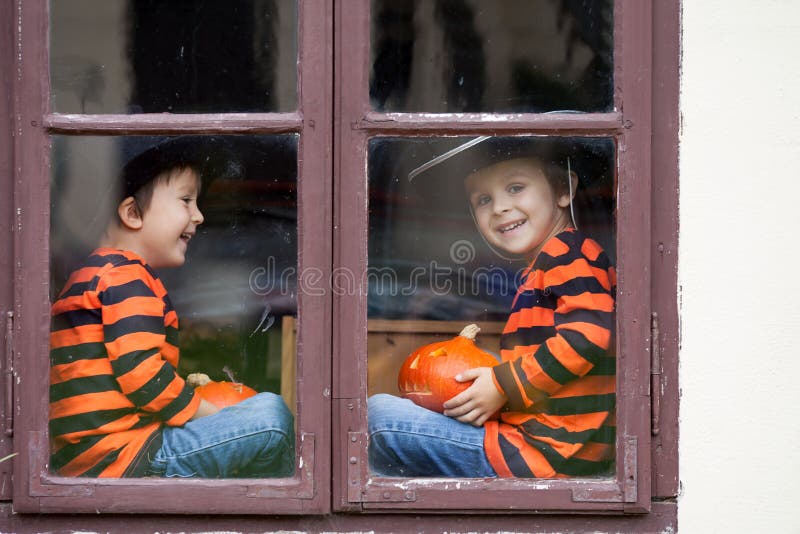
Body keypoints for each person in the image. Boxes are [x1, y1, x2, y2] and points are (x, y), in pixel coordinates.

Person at [368, 136, 616, 478]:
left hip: (541, 453)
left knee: (377, 417)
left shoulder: (568, 254)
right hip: (540, 446)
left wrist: (502, 385)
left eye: (515, 187)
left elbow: (587, 336)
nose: (499, 207)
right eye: (484, 199)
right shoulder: (547, 265)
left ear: (563, 189)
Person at [49, 137, 294, 478]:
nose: (199, 215)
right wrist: (210, 414)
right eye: (186, 201)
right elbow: (142, 373)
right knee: (272, 417)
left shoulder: (90, 275)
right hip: (128, 455)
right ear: (132, 213)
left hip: (89, 458)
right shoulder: (128, 278)